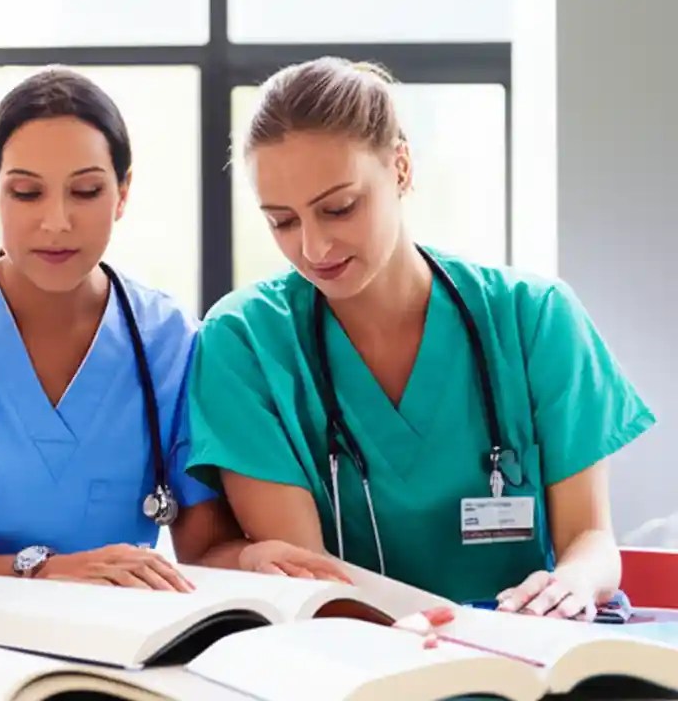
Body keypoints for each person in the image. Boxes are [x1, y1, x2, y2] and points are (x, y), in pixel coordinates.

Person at [0, 67, 345, 613]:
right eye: (27, 193)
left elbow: (200, 551)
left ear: (123, 193)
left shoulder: (168, 341)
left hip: (116, 646)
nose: (57, 222)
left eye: (86, 191)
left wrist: (251, 559)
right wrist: (38, 572)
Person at [185, 56, 654, 619]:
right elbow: (310, 579)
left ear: (400, 167)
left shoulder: (536, 319)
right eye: (283, 221)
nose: (313, 247)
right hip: (353, 654)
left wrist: (573, 583)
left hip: (529, 651)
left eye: (339, 208)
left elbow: (591, 541)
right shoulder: (245, 344)